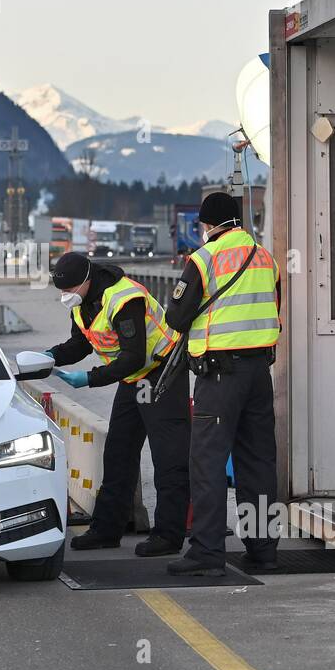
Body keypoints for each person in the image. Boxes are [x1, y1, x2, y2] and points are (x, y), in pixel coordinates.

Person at [162, 192, 281, 576]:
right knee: (259, 462)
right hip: (259, 373)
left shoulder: (205, 259)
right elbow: (272, 307)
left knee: (208, 462)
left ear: (208, 225)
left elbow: (177, 318)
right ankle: (263, 550)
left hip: (220, 375)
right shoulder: (266, 258)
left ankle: (207, 553)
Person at [47, 252, 191, 557]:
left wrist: (90, 378)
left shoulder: (125, 299)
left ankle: (168, 534)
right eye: (61, 291)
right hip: (133, 379)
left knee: (168, 456)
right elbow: (81, 343)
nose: (65, 296)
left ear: (86, 281)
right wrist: (50, 356)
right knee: (118, 452)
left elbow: (133, 355)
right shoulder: (83, 304)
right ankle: (106, 530)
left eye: (69, 289)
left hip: (160, 374)